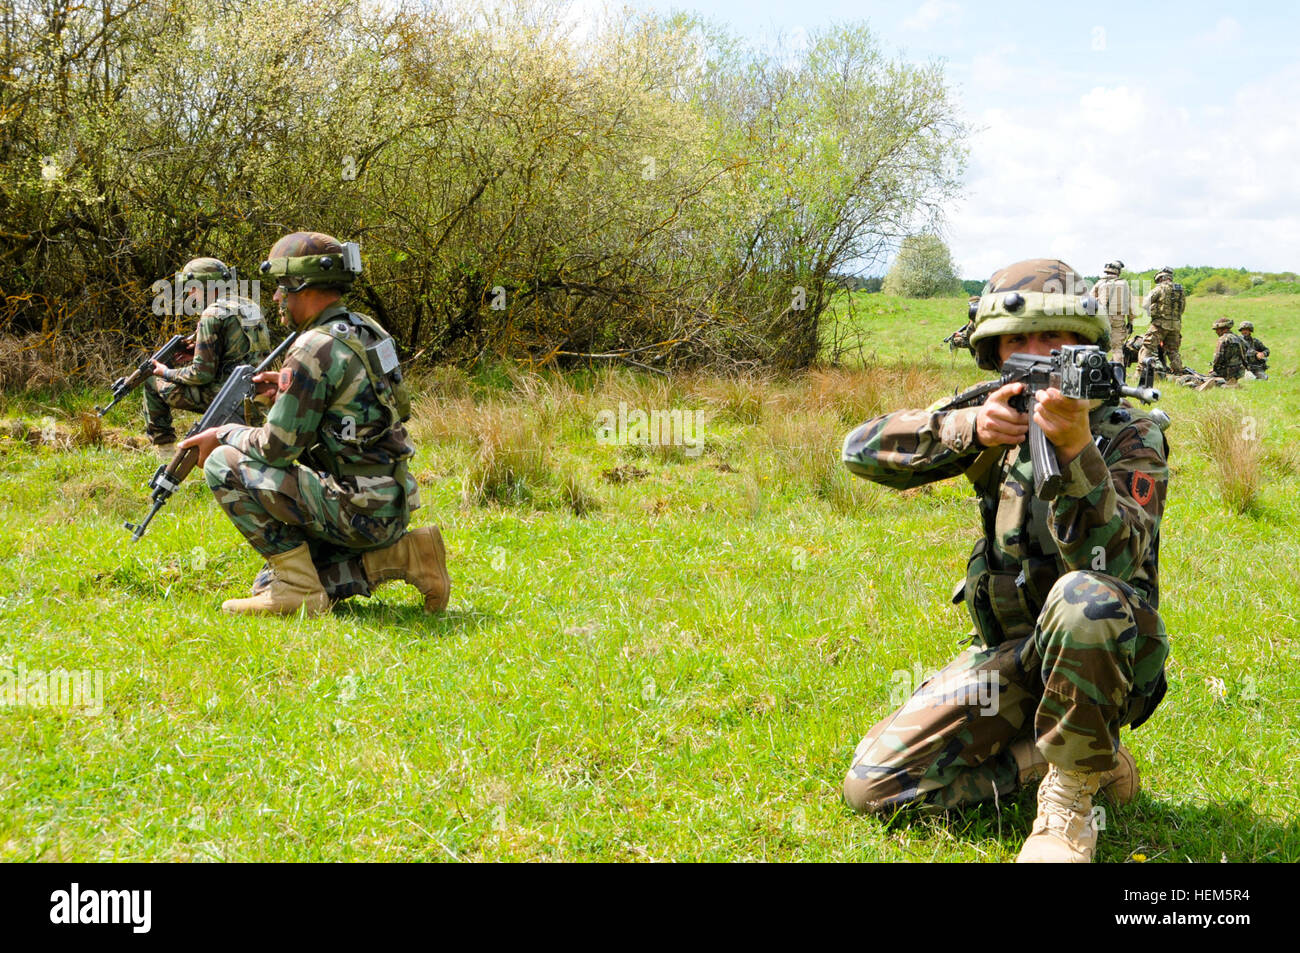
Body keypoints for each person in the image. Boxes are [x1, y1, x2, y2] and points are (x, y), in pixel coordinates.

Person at [840, 259, 1170, 863]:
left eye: (1054, 337)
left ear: (1084, 342)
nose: (1036, 352)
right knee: (874, 787)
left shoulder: (1129, 434)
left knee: (1084, 596)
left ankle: (1068, 810)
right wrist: (968, 427)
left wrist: (1075, 451)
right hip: (1016, 656)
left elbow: (1115, 564)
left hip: (1110, 656)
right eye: (1018, 339)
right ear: (995, 351)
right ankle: (1056, 759)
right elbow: (859, 450)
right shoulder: (996, 411)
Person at [178, 232, 450, 616]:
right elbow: (383, 409)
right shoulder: (367, 330)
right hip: (390, 499)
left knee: (223, 462)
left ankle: (299, 589)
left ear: (301, 286)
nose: (275, 299)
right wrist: (289, 396)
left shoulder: (311, 346)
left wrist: (223, 432)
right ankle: (409, 554)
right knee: (263, 583)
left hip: (355, 507)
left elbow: (276, 449)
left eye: (280, 289)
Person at [143, 258, 269, 454]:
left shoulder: (212, 314)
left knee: (151, 378)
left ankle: (164, 448)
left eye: (193, 288)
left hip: (227, 397)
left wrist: (166, 372)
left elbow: (201, 374)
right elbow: (243, 351)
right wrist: (197, 350)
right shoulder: (250, 305)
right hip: (257, 396)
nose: (190, 294)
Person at [1137, 267, 1185, 374]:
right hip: (1176, 325)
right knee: (1173, 351)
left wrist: (1152, 311)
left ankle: (1141, 372)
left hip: (1160, 324)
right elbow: (1182, 308)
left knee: (1147, 346)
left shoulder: (1159, 289)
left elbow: (1145, 304)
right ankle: (1178, 374)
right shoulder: (1180, 290)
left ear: (1161, 278)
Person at [1093, 260, 1133, 362]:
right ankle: (1118, 375)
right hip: (1118, 320)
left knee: (1098, 348)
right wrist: (1130, 322)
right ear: (1118, 271)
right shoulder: (1124, 284)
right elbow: (1130, 305)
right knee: (1117, 349)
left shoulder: (1099, 283)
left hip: (1102, 319)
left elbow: (1089, 301)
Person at [1211, 317, 1248, 384]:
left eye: (1217, 330)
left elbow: (1218, 357)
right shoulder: (1239, 338)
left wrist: (1214, 369)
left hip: (1225, 372)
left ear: (1224, 329)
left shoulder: (1223, 339)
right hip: (1239, 372)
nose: (1216, 332)